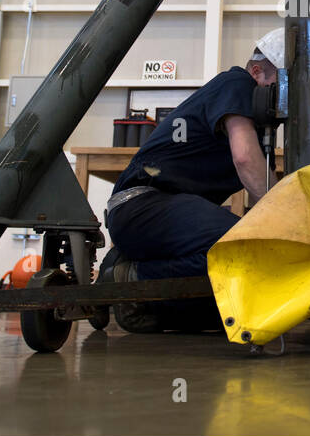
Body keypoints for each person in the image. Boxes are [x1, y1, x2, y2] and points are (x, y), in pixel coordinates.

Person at [98, 28, 283, 333]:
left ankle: (145, 305)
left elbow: (260, 187)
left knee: (243, 299)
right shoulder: (238, 84)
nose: (283, 98)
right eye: (280, 85)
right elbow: (245, 160)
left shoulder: (262, 129)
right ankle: (128, 275)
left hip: (164, 215)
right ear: (256, 71)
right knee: (237, 249)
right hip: (141, 203)